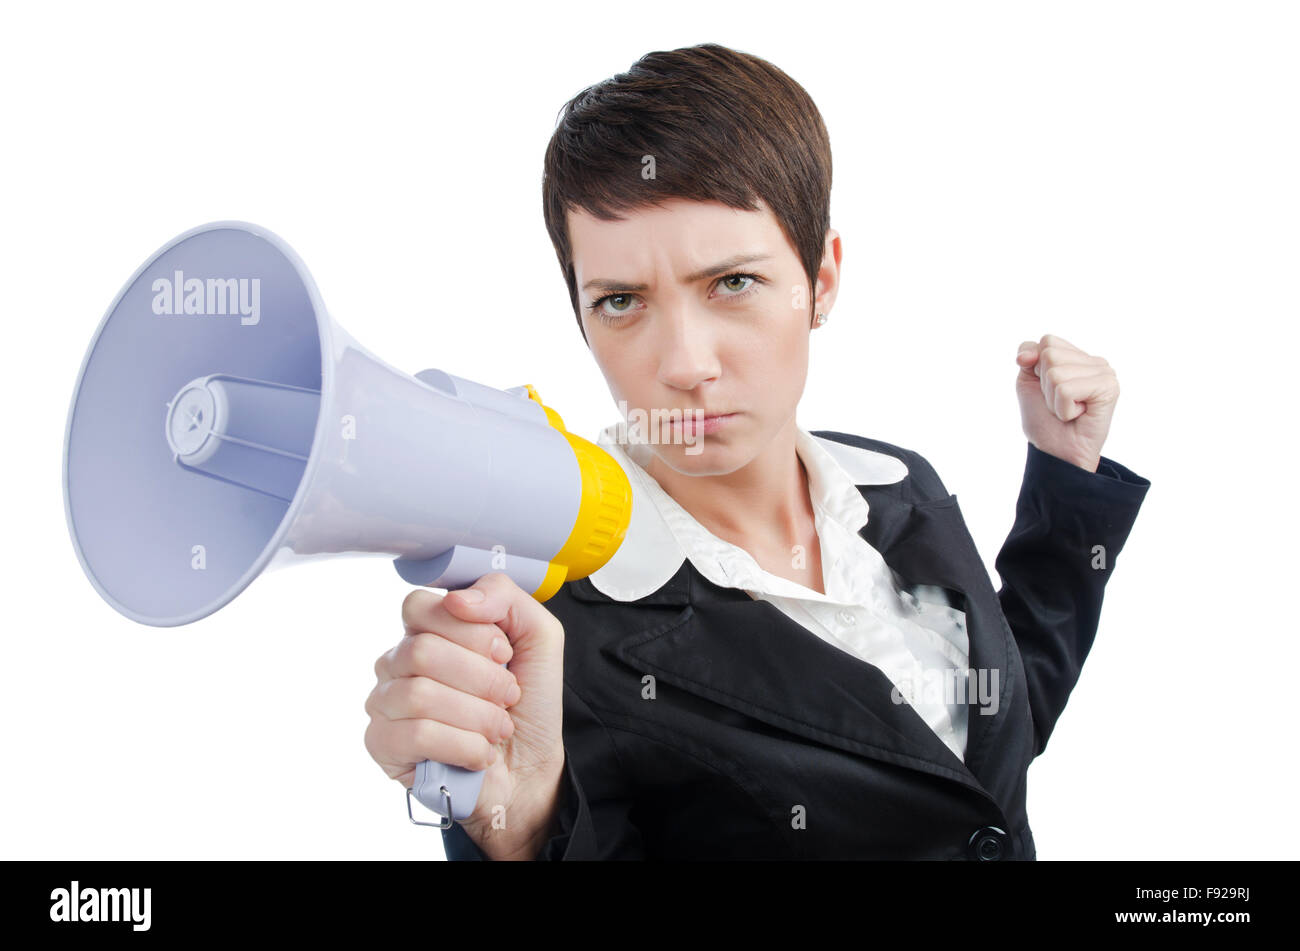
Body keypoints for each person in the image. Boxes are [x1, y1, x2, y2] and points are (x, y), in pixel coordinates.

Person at [363, 43, 1151, 860]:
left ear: (823, 278)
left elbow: (979, 756)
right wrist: (520, 832)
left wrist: (1066, 475)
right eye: (622, 300)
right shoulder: (548, 639)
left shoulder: (895, 479)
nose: (684, 364)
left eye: (731, 282)